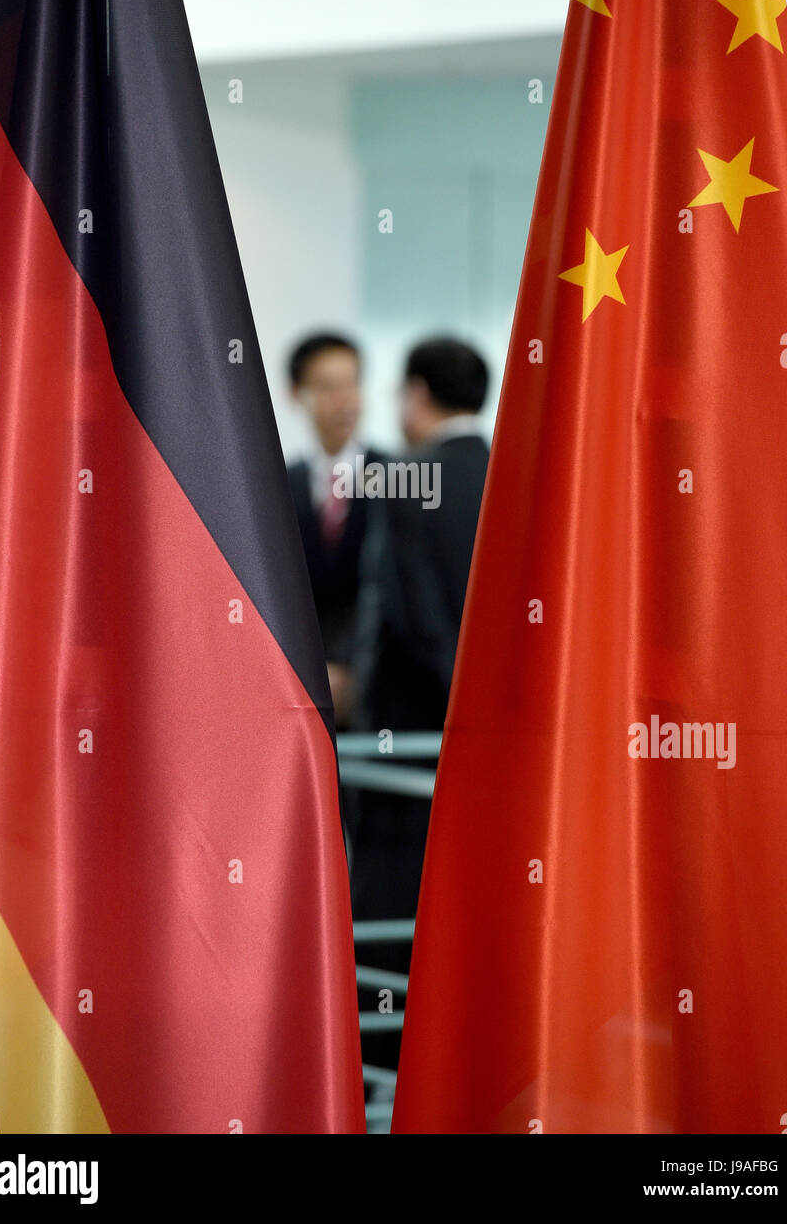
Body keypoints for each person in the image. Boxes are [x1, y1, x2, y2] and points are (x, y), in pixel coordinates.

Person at [351, 336, 490, 1071]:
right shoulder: (520, 472)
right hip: (498, 739)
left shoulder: (402, 480)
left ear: (415, 394)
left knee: (389, 905)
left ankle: (384, 1073)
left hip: (403, 739)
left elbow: (407, 613)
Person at [285, 332, 383, 729]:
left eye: (352, 384)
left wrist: (350, 667)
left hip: (372, 686)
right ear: (297, 394)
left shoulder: (396, 478)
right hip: (298, 685)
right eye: (327, 387)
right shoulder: (279, 482)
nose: (344, 400)